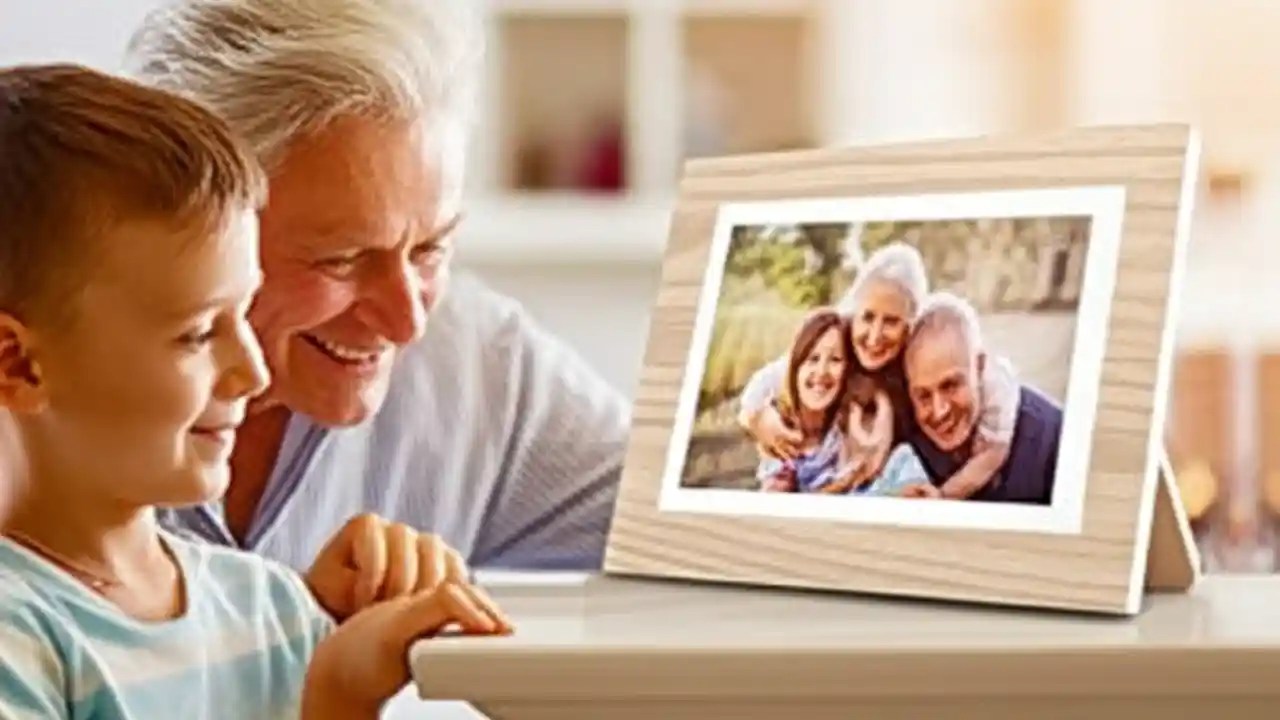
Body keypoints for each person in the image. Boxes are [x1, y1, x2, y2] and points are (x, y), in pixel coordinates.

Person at [0, 63, 509, 719]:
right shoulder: (20, 644)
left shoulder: (276, 610)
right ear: (17, 365)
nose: (253, 373)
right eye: (197, 334)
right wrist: (335, 700)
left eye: (243, 314)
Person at [123, 0, 630, 573]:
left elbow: (717, 532)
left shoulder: (480, 370)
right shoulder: (39, 388)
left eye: (430, 249)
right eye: (341, 260)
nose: (407, 321)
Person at [739, 242, 929, 491]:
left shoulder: (916, 355)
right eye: (868, 317)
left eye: (891, 321)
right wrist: (759, 419)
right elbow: (766, 383)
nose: (874, 338)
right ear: (856, 311)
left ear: (909, 326)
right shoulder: (839, 339)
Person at [902, 292, 1062, 505]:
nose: (939, 411)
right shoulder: (905, 444)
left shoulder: (1054, 439)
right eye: (923, 396)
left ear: (979, 367)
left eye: (950, 386)